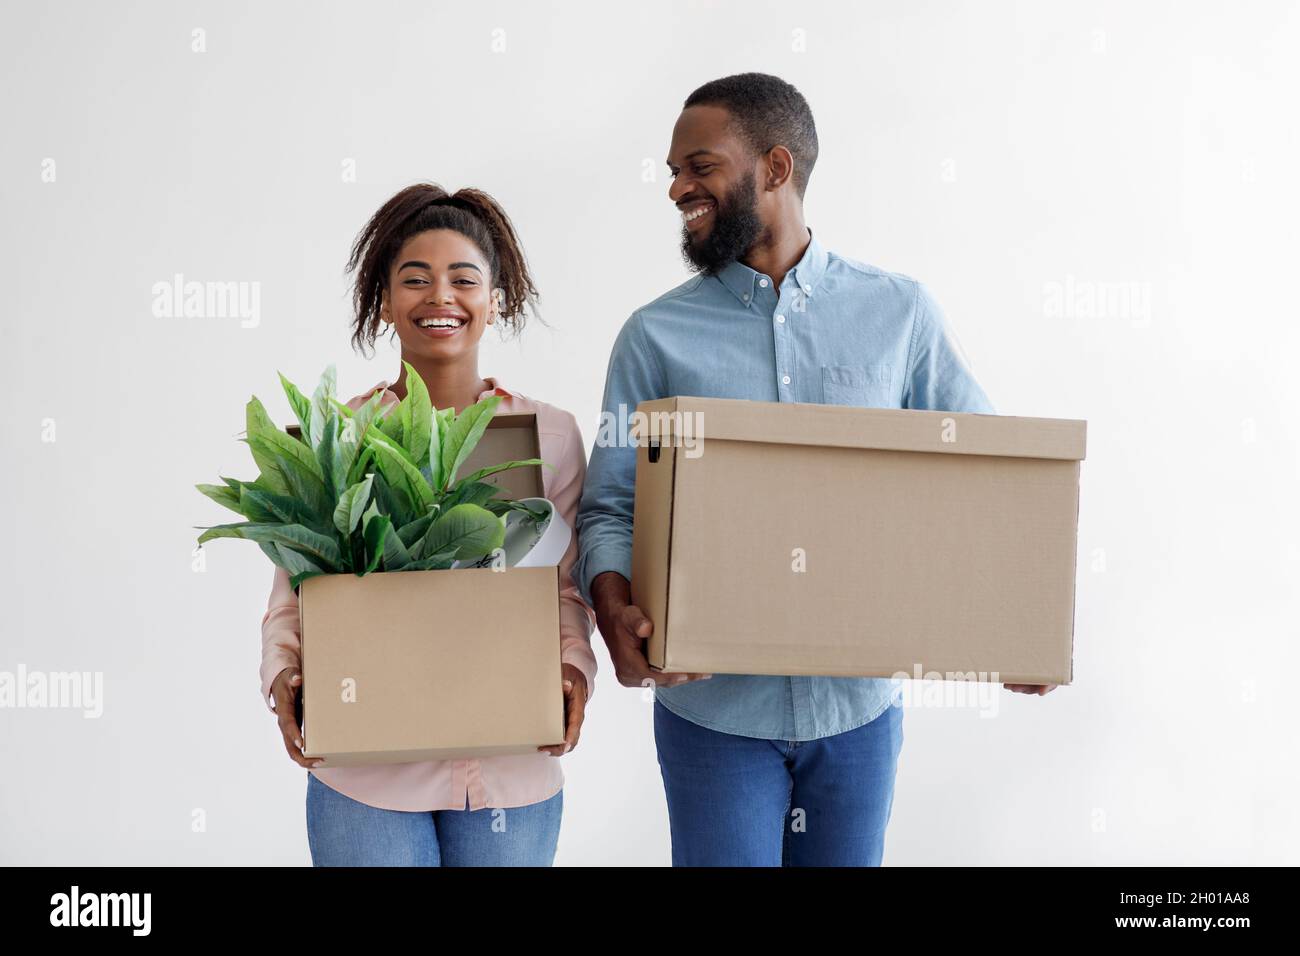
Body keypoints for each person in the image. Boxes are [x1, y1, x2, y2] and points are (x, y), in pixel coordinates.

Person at [575, 73, 1055, 867]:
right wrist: (614, 609)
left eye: (697, 166)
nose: (676, 189)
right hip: (712, 715)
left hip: (857, 716)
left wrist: (1021, 624)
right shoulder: (653, 336)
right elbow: (610, 508)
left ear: (774, 167)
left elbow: (988, 476)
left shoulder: (899, 314)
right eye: (671, 171)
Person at [260, 184, 597, 866]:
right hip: (365, 773)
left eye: (463, 279)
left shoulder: (548, 435)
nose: (440, 297)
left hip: (510, 768)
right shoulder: (343, 435)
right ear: (385, 302)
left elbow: (563, 588)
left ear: (494, 300)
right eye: (415, 280)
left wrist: (573, 671)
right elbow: (294, 589)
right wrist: (284, 677)